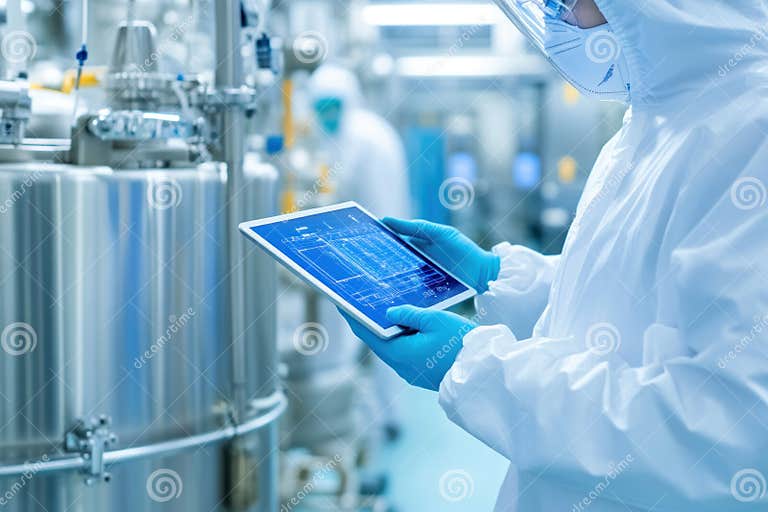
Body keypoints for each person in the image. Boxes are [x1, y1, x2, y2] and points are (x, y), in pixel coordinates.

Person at [340, 0, 768, 510]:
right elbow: (620, 302)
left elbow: (724, 436)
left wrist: (477, 367)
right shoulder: (651, 124)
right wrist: (497, 277)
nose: (553, 12)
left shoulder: (749, 131)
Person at [307, 63, 411, 441]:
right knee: (368, 335)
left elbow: (379, 205)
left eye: (333, 106)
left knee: (383, 333)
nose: (327, 115)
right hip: (361, 249)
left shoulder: (367, 138)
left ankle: (386, 419)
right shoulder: (344, 134)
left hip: (380, 249)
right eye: (321, 107)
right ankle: (372, 416)